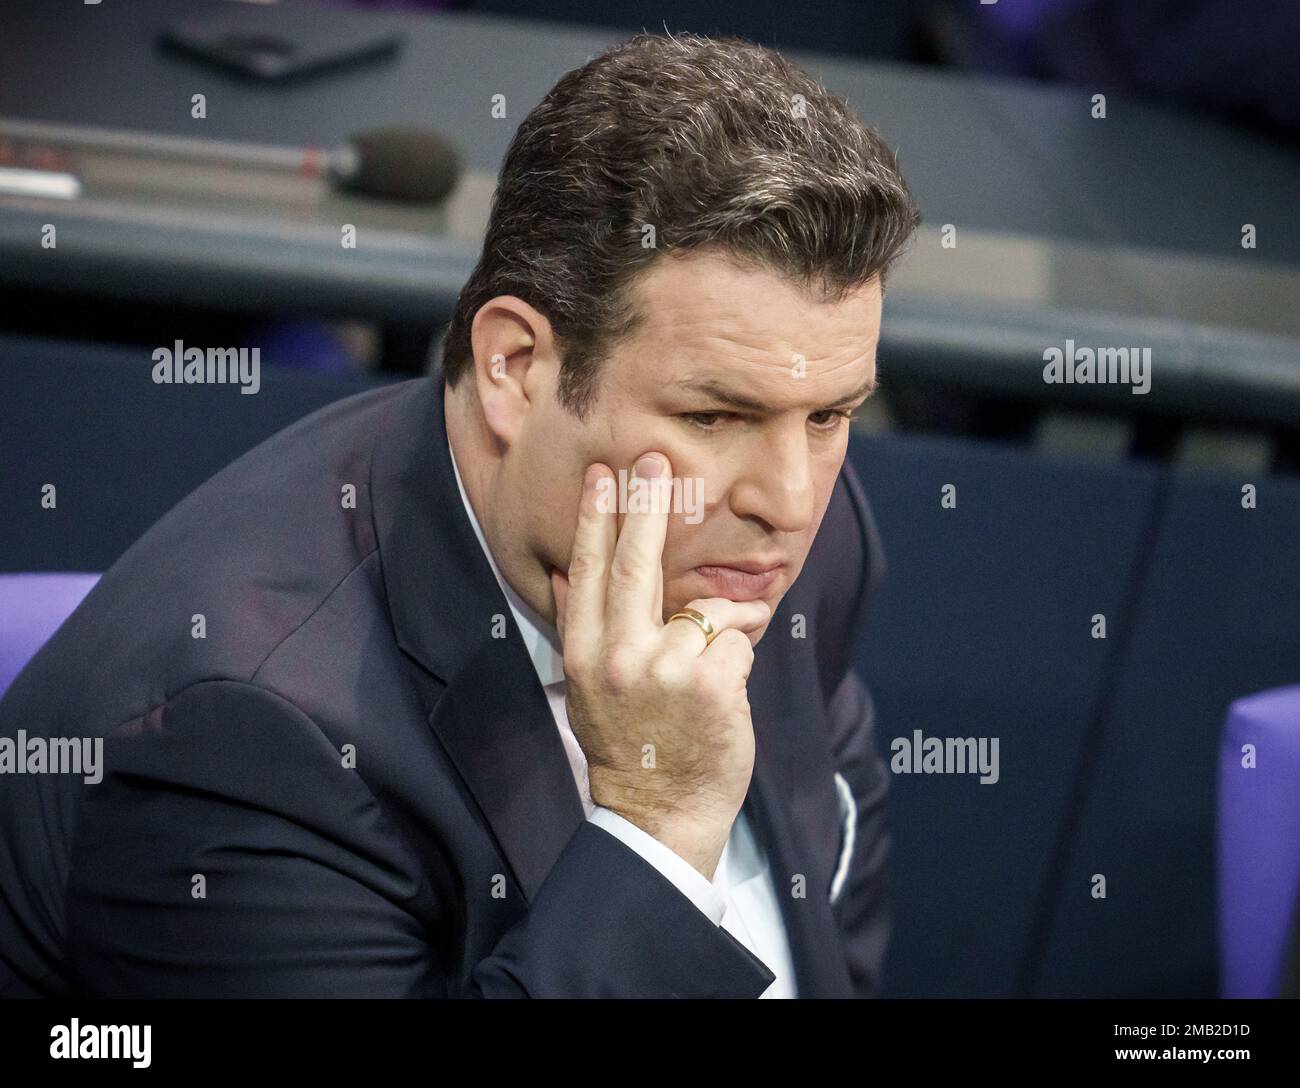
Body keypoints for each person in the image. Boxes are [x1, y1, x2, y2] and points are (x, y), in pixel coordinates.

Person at [0, 32, 919, 998]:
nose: (788, 500)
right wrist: (661, 825)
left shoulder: (774, 546)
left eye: (829, 416)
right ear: (515, 369)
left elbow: (831, 931)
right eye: (712, 417)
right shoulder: (248, 745)